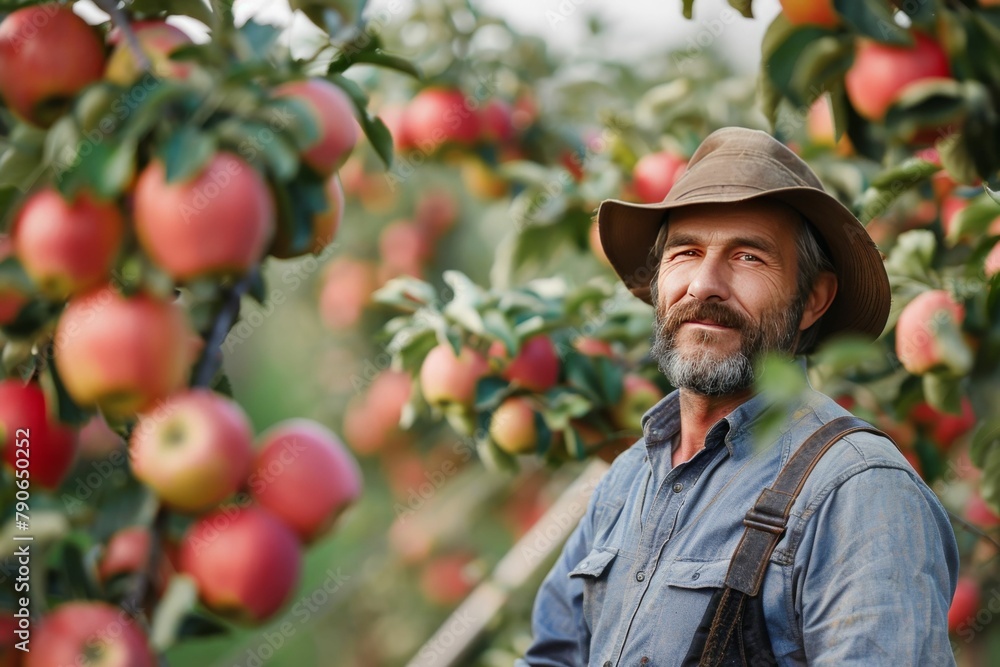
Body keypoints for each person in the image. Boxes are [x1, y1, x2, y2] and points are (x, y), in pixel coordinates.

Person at [516, 127, 959, 666]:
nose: (704, 283)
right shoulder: (628, 480)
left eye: (748, 257)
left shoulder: (857, 491)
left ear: (813, 299)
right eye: (685, 252)